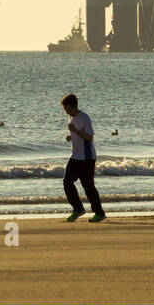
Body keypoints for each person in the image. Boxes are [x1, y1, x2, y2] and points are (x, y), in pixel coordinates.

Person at [60, 94, 106, 223]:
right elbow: (77, 135)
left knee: (88, 187)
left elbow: (90, 137)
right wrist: (70, 137)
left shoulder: (85, 118)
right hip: (75, 156)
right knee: (67, 182)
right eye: (65, 109)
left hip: (87, 158)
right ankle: (78, 209)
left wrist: (74, 131)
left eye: (68, 109)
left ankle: (99, 213)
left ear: (74, 106)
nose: (67, 112)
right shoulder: (70, 117)